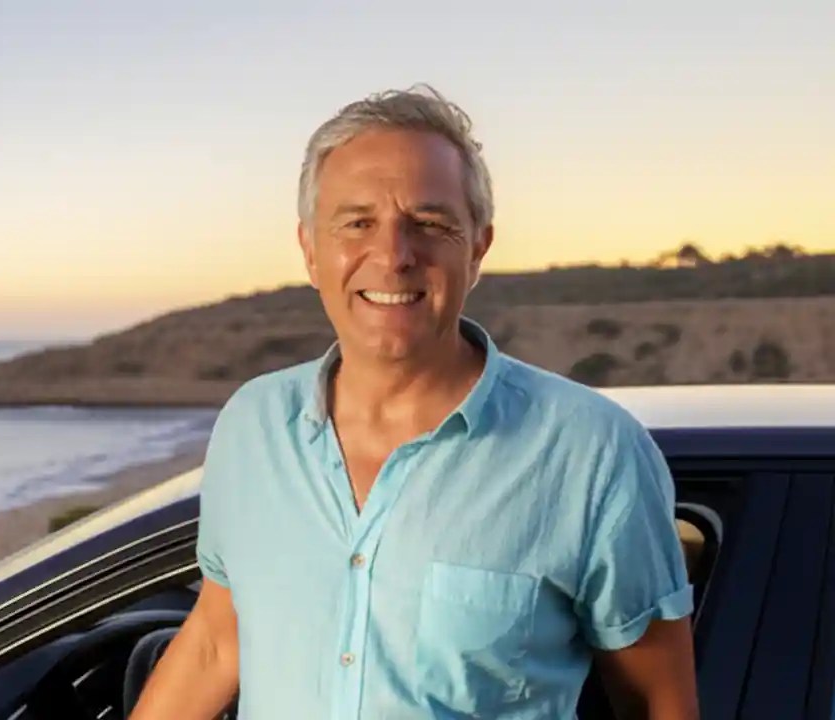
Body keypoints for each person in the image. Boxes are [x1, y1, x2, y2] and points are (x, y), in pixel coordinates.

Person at [128, 85, 698, 719]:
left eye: (429, 224)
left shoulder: (591, 452)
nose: (394, 256)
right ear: (311, 249)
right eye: (357, 223)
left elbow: (657, 700)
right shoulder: (253, 426)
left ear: (477, 247)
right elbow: (217, 640)